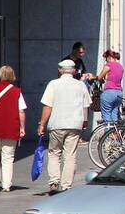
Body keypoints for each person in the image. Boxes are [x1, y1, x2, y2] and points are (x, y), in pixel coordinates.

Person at [38, 59, 90, 194]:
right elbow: (85, 106)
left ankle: (54, 182)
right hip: (74, 124)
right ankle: (66, 186)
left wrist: (42, 123)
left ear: (60, 70)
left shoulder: (53, 84)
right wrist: (84, 121)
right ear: (74, 71)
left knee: (54, 153)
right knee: (70, 155)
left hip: (57, 123)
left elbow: (47, 106)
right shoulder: (81, 85)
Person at [95, 50, 124, 123]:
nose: (105, 61)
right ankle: (114, 133)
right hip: (119, 93)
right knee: (114, 115)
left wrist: (93, 77)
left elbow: (99, 77)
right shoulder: (120, 67)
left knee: (106, 115)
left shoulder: (109, 65)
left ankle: (108, 133)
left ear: (109, 57)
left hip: (109, 92)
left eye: (106, 58)